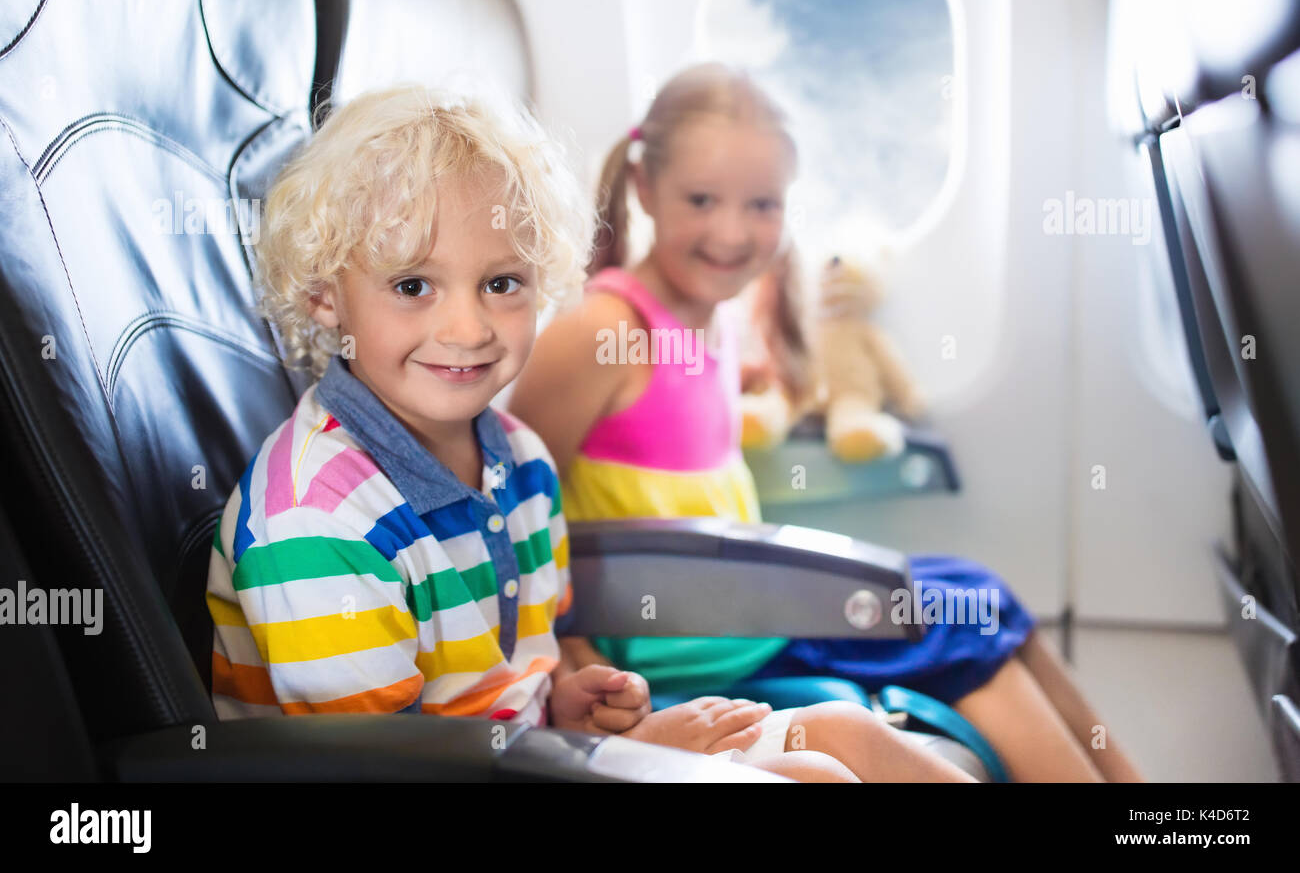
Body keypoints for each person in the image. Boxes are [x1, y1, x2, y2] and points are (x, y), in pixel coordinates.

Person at [203, 83, 977, 782]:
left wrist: (571, 711)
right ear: (324, 296)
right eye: (413, 285)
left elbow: (506, 687)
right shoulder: (317, 522)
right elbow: (386, 774)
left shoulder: (520, 462)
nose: (468, 326)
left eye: (502, 283)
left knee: (846, 735)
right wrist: (612, 760)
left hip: (534, 762)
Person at [509, 62, 1144, 782]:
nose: (732, 231)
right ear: (646, 188)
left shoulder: (712, 323)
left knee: (976, 593)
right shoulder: (601, 330)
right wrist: (581, 664)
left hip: (748, 613)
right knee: (961, 626)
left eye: (762, 205)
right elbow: (517, 512)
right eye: (702, 199)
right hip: (696, 638)